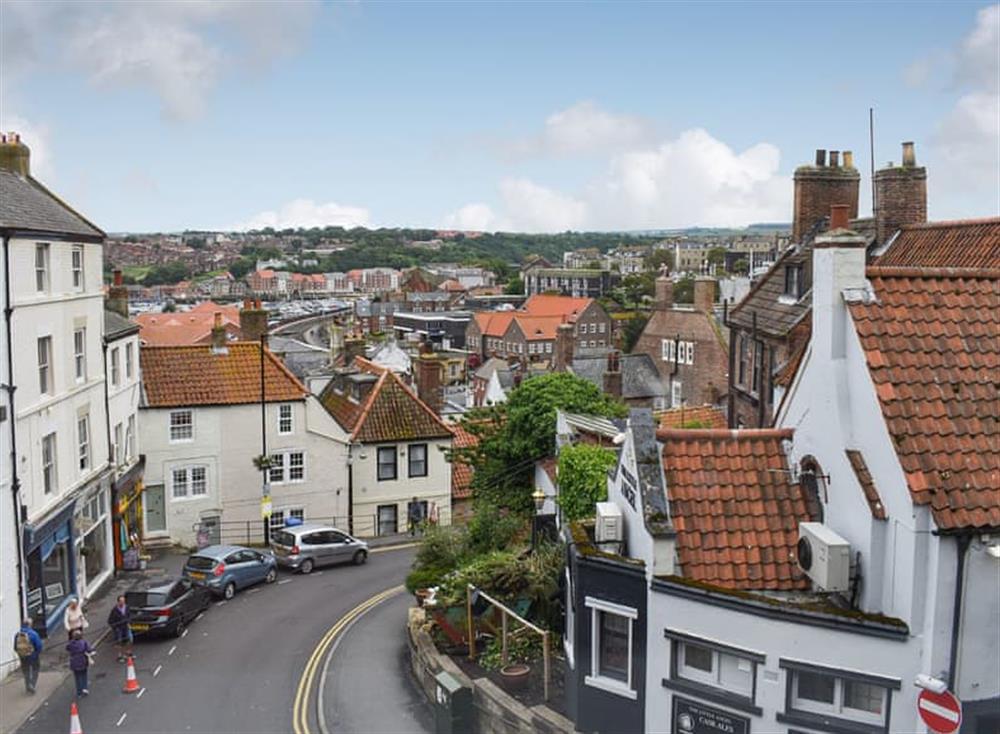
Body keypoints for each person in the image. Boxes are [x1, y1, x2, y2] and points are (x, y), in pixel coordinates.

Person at [13, 618, 43, 694]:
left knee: (26, 671)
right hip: (32, 656)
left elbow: (15, 647)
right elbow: (39, 646)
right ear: (30, 624)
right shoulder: (34, 634)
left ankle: (27, 686)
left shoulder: (18, 634)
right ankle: (32, 684)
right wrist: (36, 653)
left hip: (22, 656)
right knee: (35, 669)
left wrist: (20, 654)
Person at [66, 629, 93, 697]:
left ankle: (79, 692)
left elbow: (67, 648)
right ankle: (85, 688)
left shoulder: (71, 644)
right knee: (84, 675)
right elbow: (89, 650)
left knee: (77, 677)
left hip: (74, 662)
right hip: (83, 661)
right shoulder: (84, 642)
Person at [107, 595, 133, 662]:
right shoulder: (114, 610)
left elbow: (129, 616)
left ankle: (128, 653)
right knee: (120, 642)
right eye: (121, 601)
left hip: (126, 627)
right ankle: (120, 655)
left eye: (124, 601)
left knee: (129, 640)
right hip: (119, 629)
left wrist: (129, 622)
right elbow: (110, 621)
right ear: (118, 602)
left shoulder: (127, 607)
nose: (123, 603)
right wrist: (115, 628)